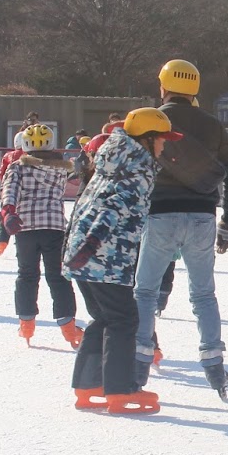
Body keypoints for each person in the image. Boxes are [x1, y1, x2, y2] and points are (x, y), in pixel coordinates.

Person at [131, 61, 228, 400]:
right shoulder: (211, 125)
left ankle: (137, 364)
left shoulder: (151, 120)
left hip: (160, 215)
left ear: (162, 86)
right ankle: (214, 365)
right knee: (203, 294)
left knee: (145, 292)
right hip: (201, 218)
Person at [64, 107, 174, 415]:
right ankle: (120, 391)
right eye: (161, 140)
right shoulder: (136, 170)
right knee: (125, 320)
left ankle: (88, 386)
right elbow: (111, 210)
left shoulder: (113, 162)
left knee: (104, 319)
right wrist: (92, 245)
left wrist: (79, 249)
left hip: (85, 255)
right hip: (104, 258)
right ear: (148, 140)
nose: (164, 146)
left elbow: (88, 204)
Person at [0, 123, 80, 347]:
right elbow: (80, 178)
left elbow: (9, 190)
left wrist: (9, 212)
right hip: (54, 226)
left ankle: (26, 322)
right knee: (58, 276)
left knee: (27, 274)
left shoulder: (18, 166)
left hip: (25, 228)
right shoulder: (61, 168)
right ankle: (68, 326)